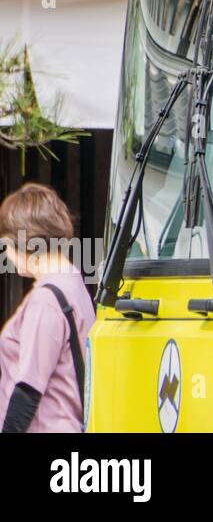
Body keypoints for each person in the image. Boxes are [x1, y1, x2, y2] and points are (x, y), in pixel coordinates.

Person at [0, 183, 95, 433]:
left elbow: (27, 391)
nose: (7, 255)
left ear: (24, 241)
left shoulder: (46, 301)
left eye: (6, 245)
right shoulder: (74, 283)